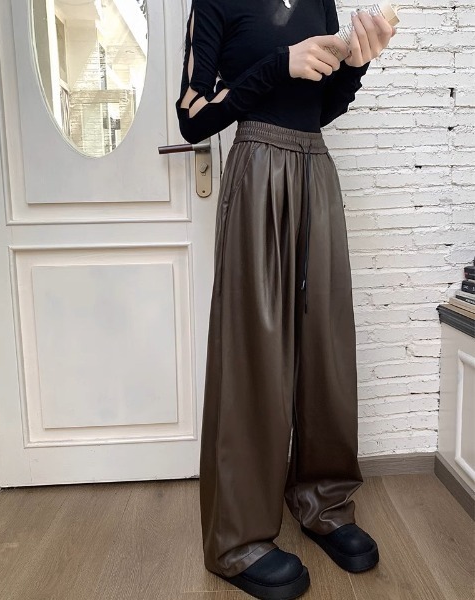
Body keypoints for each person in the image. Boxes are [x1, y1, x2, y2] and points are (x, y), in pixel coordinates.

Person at [175, 1, 396, 599]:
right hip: (257, 167)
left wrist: (355, 64)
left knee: (326, 344)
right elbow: (192, 118)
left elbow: (319, 109)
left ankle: (322, 501)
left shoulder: (320, 1)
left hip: (315, 167)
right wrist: (280, 63)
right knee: (255, 350)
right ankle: (237, 538)